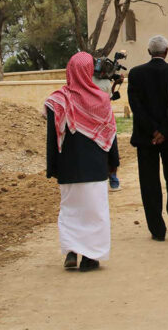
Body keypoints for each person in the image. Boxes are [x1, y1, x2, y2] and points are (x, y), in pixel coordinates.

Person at [45, 52, 120, 272]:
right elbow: (110, 133)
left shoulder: (56, 101)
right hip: (95, 167)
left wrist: (53, 168)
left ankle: (71, 252)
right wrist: (113, 163)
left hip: (68, 167)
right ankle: (91, 256)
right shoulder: (100, 99)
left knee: (70, 210)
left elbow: (52, 138)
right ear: (89, 71)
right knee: (94, 212)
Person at [126, 35, 168, 242]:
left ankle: (157, 228)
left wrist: (152, 131)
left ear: (149, 52)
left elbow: (136, 107)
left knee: (149, 182)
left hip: (145, 138)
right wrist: (165, 131)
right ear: (166, 51)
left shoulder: (136, 74)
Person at [91, 61, 124, 192]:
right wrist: (115, 83)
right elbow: (108, 98)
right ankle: (113, 179)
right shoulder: (105, 83)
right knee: (111, 149)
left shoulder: (87, 80)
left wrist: (114, 83)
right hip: (106, 121)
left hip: (91, 121)